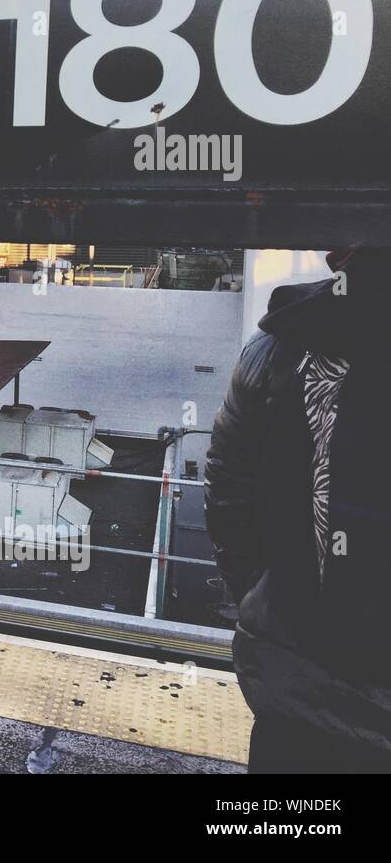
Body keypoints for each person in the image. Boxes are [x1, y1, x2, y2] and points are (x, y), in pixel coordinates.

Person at [205, 245, 391, 773]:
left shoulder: (279, 342)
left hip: (291, 680)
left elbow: (225, 491)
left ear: (340, 253)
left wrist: (263, 597)